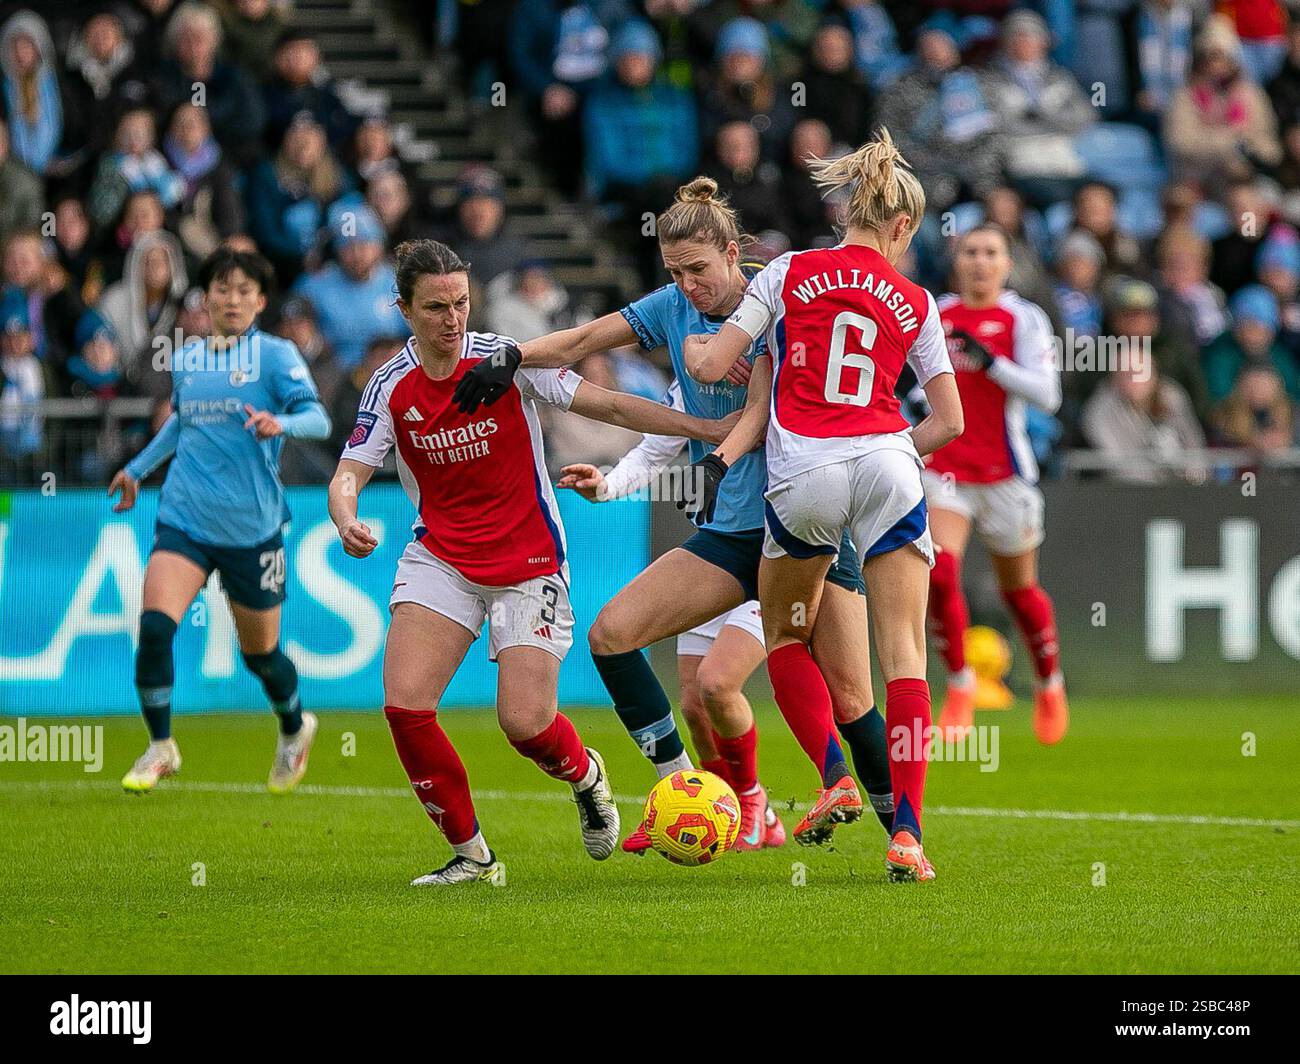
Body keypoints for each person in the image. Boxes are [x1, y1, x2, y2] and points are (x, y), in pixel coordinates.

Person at [454, 178, 897, 854]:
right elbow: (581, 341)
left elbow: (758, 409)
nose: (688, 285)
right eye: (675, 272)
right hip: (730, 533)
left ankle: (902, 832)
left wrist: (716, 460)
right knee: (614, 635)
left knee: (851, 700)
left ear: (732, 252)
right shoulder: (670, 308)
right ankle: (681, 787)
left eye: (697, 269)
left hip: (803, 525)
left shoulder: (776, 299)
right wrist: (512, 355)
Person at [327, 238, 741, 886]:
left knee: (524, 725)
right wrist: (346, 515)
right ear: (404, 309)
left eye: (461, 302)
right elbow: (349, 470)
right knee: (406, 706)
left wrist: (707, 431)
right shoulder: (391, 384)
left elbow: (604, 403)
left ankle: (587, 776)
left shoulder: (505, 360)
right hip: (441, 556)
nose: (453, 319)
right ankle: (472, 857)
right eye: (436, 307)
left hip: (529, 560)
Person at [683, 129, 964, 882]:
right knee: (904, 654)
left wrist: (696, 355)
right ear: (901, 226)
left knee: (785, 633)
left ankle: (833, 773)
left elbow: (712, 361)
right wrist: (895, 448)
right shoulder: (916, 298)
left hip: (805, 465)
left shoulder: (788, 270)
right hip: (885, 460)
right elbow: (950, 421)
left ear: (850, 213)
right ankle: (906, 835)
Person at [107, 247, 332, 795]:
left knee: (261, 657)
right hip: (185, 517)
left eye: (243, 290)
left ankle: (294, 725)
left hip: (252, 529)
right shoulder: (187, 359)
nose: (232, 299)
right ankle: (161, 745)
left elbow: (319, 419)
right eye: (221, 289)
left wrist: (280, 422)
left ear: (259, 300)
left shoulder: (277, 356)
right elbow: (182, 425)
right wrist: (136, 469)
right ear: (205, 298)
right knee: (156, 628)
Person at [555, 380, 786, 851]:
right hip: (712, 555)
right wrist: (607, 485)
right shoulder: (692, 380)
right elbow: (654, 451)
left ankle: (749, 802)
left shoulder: (778, 369)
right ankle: (700, 807)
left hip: (773, 555)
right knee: (696, 708)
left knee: (717, 684)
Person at [921, 224, 1069, 746]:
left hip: (1005, 473)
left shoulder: (1023, 317)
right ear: (955, 260)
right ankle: (960, 683)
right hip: (945, 470)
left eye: (990, 253)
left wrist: (992, 364)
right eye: (969, 252)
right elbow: (914, 385)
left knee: (1019, 591)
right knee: (939, 575)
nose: (980, 262)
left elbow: (1047, 395)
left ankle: (1049, 681)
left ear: (1007, 263)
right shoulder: (933, 313)